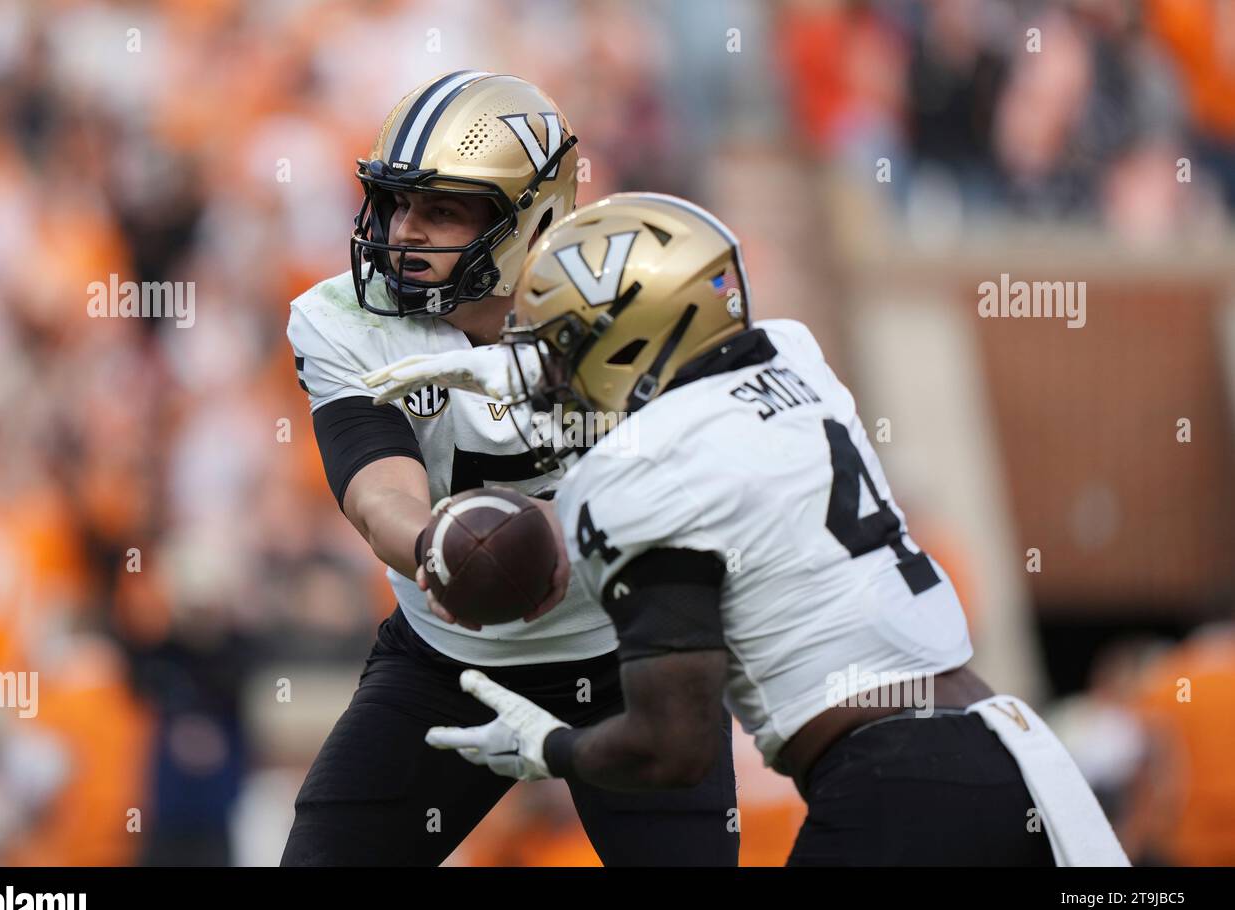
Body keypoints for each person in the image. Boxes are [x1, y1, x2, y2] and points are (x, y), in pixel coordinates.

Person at [374, 192, 1128, 866]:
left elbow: (674, 747)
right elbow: (705, 403)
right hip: (1011, 754)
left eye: (560, 349)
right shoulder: (798, 359)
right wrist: (520, 371)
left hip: (894, 790)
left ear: (627, 341)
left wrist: (549, 747)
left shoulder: (635, 479)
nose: (550, 378)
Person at [280, 76, 737, 866]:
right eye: (395, 202)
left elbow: (701, 481)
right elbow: (377, 487)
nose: (403, 231)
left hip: (634, 649)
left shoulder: (632, 302)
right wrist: (438, 550)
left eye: (442, 210)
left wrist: (572, 534)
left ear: (534, 219)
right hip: (448, 659)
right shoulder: (341, 319)